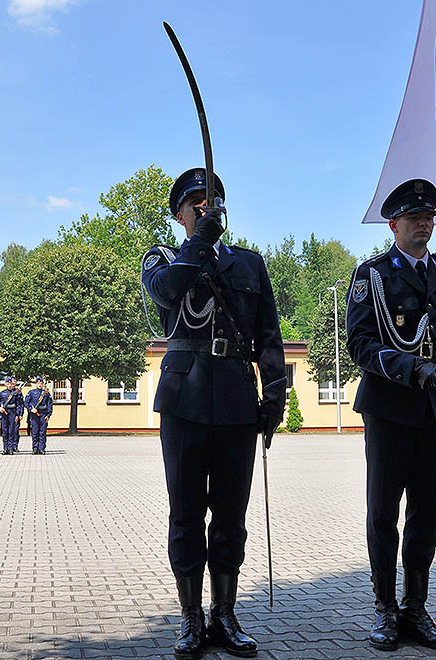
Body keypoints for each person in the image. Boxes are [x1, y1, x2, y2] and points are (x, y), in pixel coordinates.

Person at [141, 167, 286, 659]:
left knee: (230, 514)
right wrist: (199, 243)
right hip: (184, 400)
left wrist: (275, 392)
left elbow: (268, 333)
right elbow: (167, 293)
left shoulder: (249, 263)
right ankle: (191, 616)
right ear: (179, 215)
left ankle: (225, 613)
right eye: (195, 203)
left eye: (213, 202)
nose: (206, 209)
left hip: (237, 400)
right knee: (186, 514)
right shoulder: (163, 258)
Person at [345, 179, 436, 651]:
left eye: (428, 217)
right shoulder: (372, 274)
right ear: (393, 225)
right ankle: (385, 608)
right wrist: (411, 367)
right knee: (384, 512)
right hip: (390, 408)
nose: (423, 224)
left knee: (428, 513)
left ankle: (416, 606)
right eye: (413, 218)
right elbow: (360, 344)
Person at [24, 377, 53, 455]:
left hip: (43, 414)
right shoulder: (31, 392)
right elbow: (26, 403)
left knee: (42, 432)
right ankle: (35, 448)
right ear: (36, 384)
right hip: (34, 415)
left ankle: (42, 448)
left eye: (41, 383)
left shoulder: (46, 393)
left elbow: (49, 404)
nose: (40, 384)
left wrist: (48, 415)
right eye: (38, 383)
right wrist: (31, 409)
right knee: (35, 432)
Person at [0, 376, 24, 454]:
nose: (9, 385)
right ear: (5, 384)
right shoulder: (2, 393)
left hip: (13, 413)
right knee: (4, 431)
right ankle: (5, 448)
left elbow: (19, 405)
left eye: (11, 384)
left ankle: (10, 448)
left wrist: (18, 415)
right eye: (8, 384)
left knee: (11, 431)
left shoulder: (15, 393)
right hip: (4, 413)